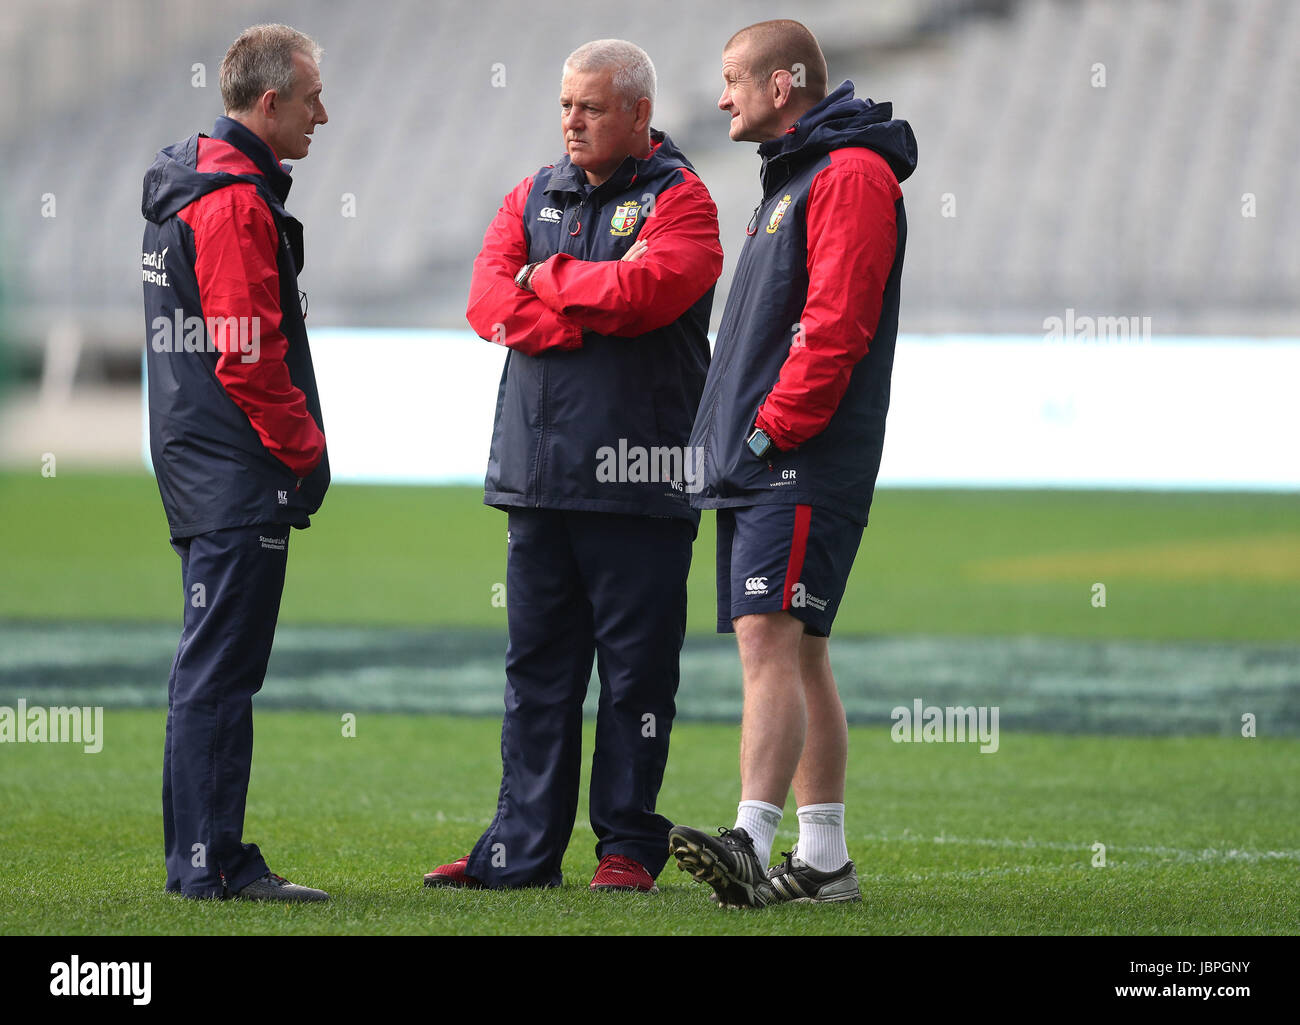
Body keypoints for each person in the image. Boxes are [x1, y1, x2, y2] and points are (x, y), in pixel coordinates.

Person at [423, 39, 723, 892]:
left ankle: (627, 847)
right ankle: (522, 849)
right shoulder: (532, 190)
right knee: (537, 674)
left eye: (590, 107)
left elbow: (644, 296)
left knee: (638, 677)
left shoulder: (684, 201)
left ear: (638, 114)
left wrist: (543, 277)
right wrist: (569, 317)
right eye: (565, 105)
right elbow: (487, 299)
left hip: (641, 480)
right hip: (539, 474)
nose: (571, 121)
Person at [668, 19, 917, 907]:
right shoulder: (802, 177)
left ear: (784, 86)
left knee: (772, 641)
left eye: (733, 78)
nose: (722, 95)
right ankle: (823, 863)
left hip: (797, 457)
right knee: (795, 650)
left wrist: (772, 432)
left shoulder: (848, 173)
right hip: (768, 457)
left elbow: (836, 325)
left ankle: (750, 837)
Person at [141, 23, 332, 901]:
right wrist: (303, 450)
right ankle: (209, 863)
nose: (321, 115)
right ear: (268, 103)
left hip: (200, 453)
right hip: (234, 463)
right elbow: (247, 354)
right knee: (221, 669)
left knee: (211, 664)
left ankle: (204, 854)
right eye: (310, 98)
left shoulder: (197, 183)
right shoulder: (231, 201)